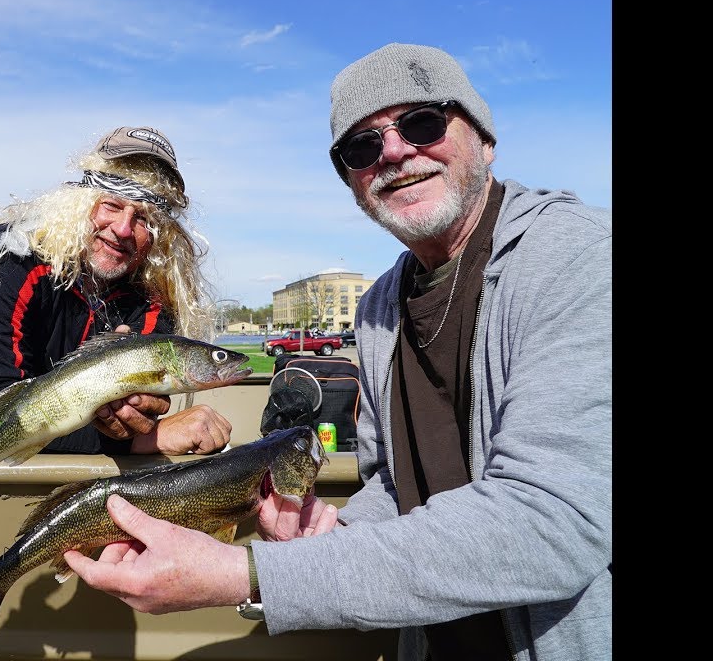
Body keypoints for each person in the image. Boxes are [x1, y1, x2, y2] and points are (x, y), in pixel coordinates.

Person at [64, 43, 612, 661]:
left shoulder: (579, 257)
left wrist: (245, 574)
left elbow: (553, 521)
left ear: (484, 137)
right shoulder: (380, 306)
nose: (396, 153)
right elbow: (393, 486)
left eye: (422, 123)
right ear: (352, 181)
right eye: (363, 147)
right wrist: (334, 531)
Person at [0, 126, 233, 455]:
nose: (123, 229)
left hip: (80, 467)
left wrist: (136, 419)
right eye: (112, 204)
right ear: (79, 202)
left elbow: (132, 420)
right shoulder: (5, 259)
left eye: (144, 218)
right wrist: (147, 440)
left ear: (160, 237)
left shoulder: (155, 298)